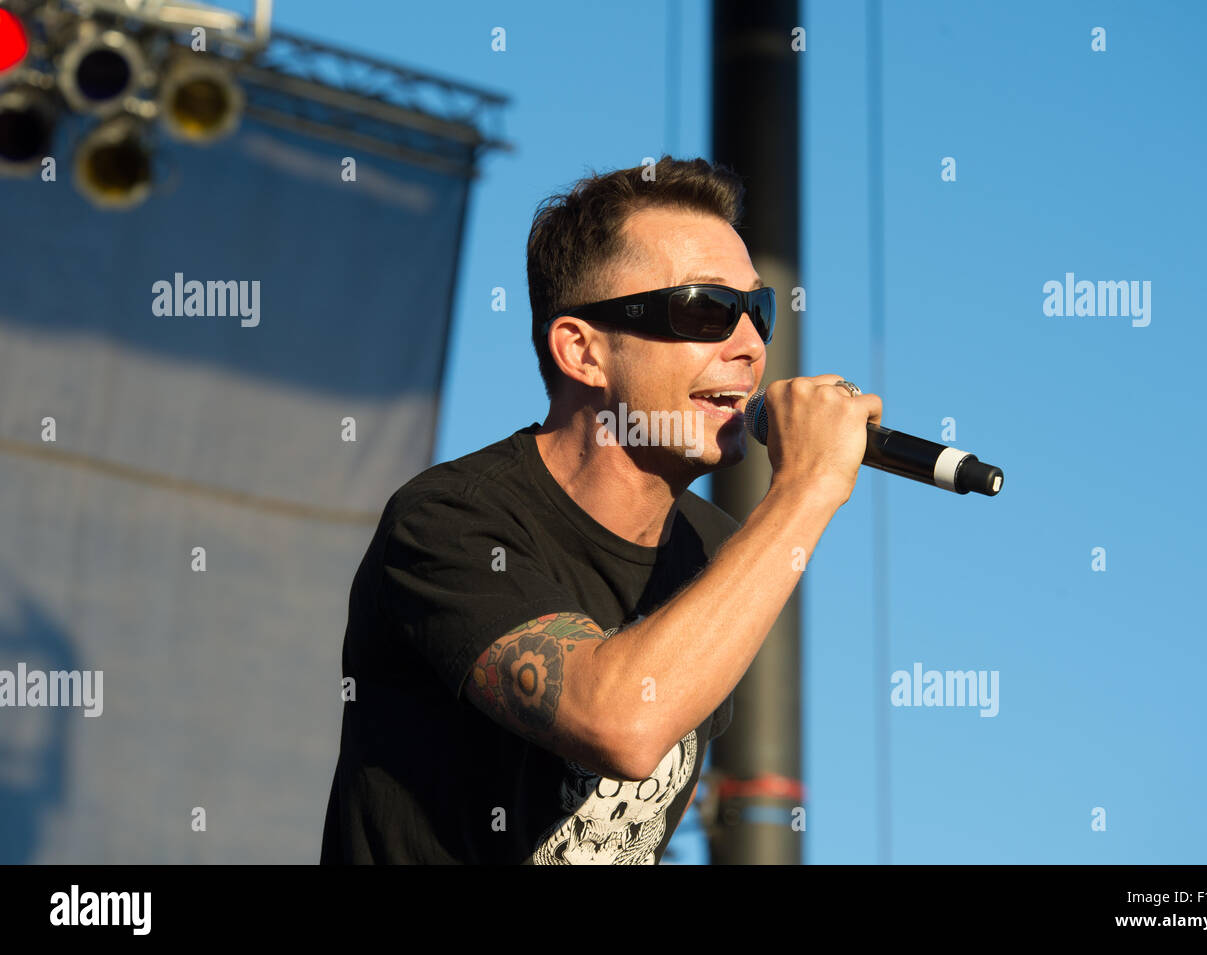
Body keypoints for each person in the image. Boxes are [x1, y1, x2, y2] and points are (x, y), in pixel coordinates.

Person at [319, 156, 881, 864]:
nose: (749, 347)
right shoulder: (450, 521)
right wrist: (804, 489)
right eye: (705, 309)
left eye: (756, 311)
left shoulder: (715, 549)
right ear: (582, 351)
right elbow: (621, 720)